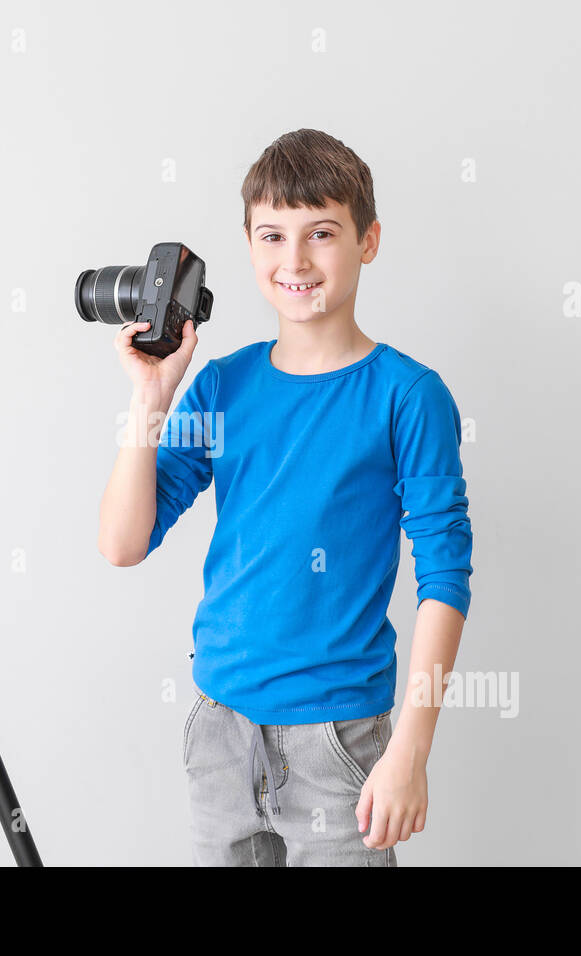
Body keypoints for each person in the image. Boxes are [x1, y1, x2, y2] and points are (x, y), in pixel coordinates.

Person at [97, 128, 473, 866]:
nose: (294, 261)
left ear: (368, 241)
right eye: (272, 236)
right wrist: (151, 396)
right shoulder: (220, 386)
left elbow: (445, 578)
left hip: (339, 742)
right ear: (248, 245)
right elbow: (122, 543)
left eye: (321, 234)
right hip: (219, 732)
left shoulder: (408, 395)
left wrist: (410, 749)